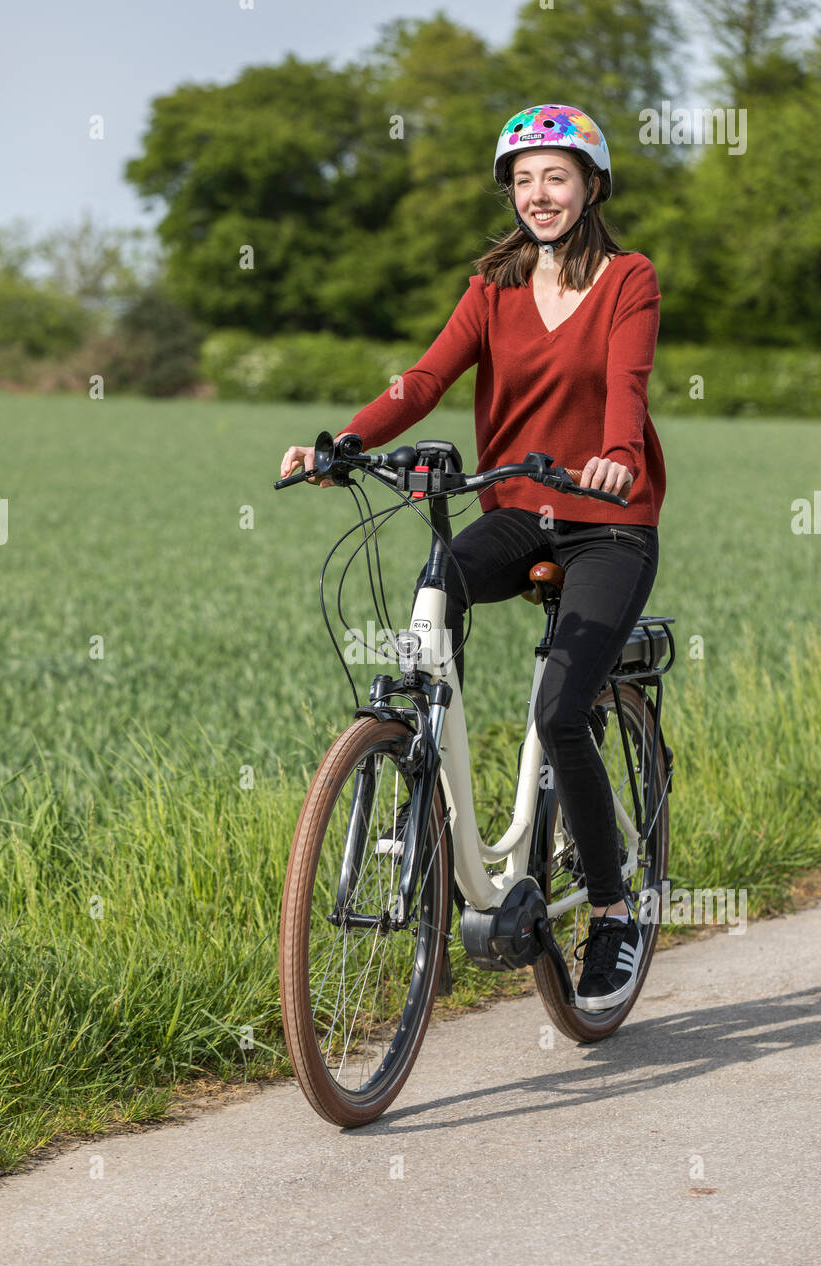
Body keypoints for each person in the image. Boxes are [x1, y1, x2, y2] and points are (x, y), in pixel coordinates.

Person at [280, 103, 666, 1012]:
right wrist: (344, 441)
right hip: (520, 509)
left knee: (563, 707)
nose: (539, 195)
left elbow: (627, 383)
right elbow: (423, 378)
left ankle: (611, 908)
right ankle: (426, 761)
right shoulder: (491, 286)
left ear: (591, 186)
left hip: (609, 518)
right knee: (436, 581)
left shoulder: (628, 278)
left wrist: (616, 455)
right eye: (524, 180)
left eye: (556, 177)